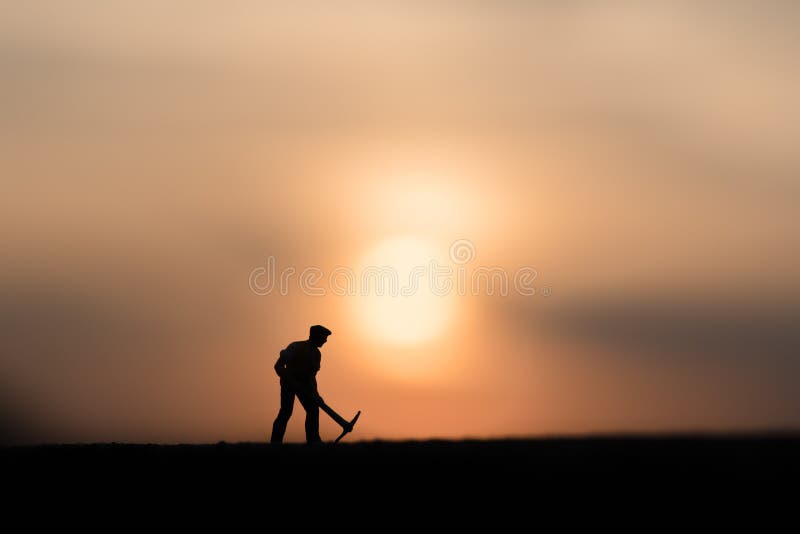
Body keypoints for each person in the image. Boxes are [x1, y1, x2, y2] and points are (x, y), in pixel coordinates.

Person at [270, 324, 332, 444]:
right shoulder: (296, 347)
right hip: (288, 384)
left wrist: (316, 395)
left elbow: (311, 377)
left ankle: (313, 442)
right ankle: (275, 443)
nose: (325, 340)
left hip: (305, 386)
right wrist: (291, 381)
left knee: (313, 409)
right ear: (316, 336)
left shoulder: (317, 355)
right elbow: (278, 366)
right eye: (324, 337)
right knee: (286, 412)